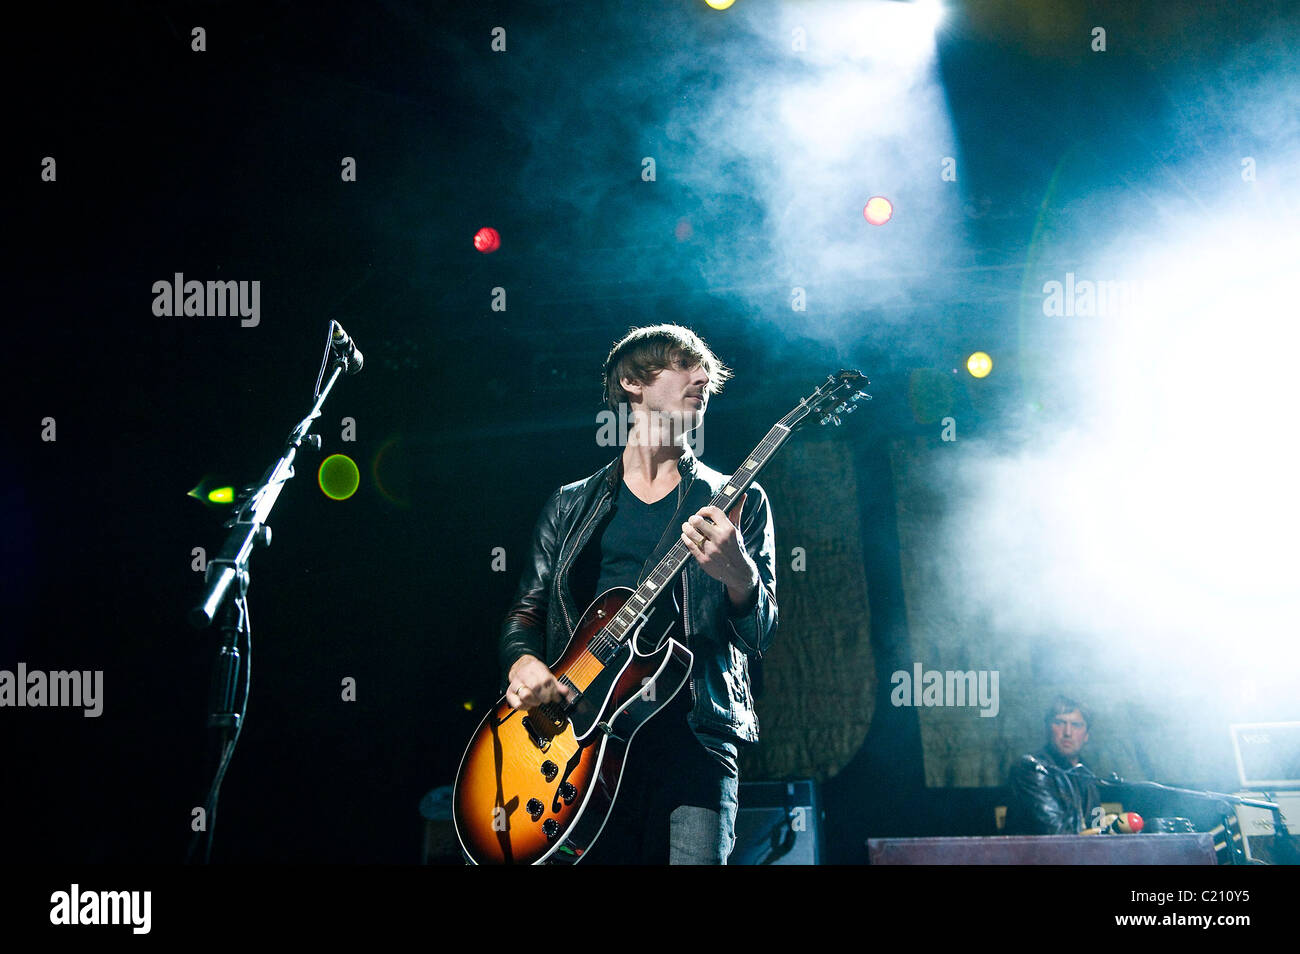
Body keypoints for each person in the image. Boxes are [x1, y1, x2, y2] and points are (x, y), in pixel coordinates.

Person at [497, 323, 777, 864]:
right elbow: (525, 614)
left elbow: (761, 634)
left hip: (693, 741)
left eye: (708, 373)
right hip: (577, 745)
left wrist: (738, 575)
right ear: (632, 381)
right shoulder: (569, 505)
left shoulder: (735, 500)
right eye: (683, 364)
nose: (702, 377)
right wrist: (523, 664)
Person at [1004, 695, 1102, 835]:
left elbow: (1096, 830)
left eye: (1076, 725)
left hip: (1079, 854)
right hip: (1036, 855)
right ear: (1047, 728)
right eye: (1060, 723)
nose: (1067, 732)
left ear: (1086, 735)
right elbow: (1057, 835)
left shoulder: (1085, 773)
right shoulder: (1031, 767)